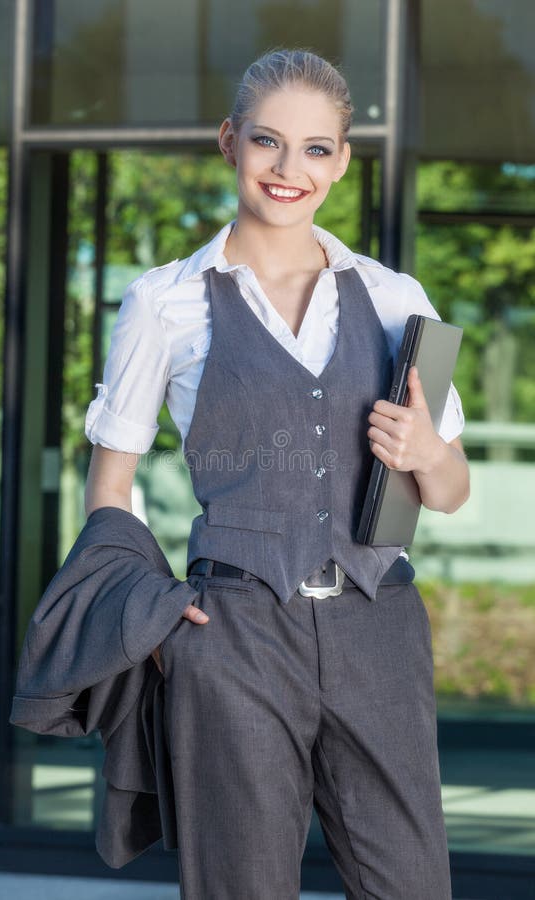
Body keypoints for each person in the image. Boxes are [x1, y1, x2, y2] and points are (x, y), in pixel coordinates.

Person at [84, 48, 469, 900]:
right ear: (230, 142)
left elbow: (449, 492)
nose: (289, 169)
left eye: (316, 149)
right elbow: (110, 486)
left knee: (411, 884)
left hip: (380, 627)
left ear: (342, 160)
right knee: (240, 886)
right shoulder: (167, 301)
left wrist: (428, 455)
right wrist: (150, 611)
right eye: (268, 142)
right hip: (235, 633)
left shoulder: (397, 297)